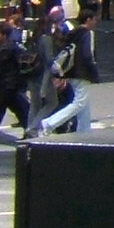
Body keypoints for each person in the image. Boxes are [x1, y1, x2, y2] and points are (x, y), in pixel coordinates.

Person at [37, 9, 100, 137]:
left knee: (84, 105)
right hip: (83, 72)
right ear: (88, 20)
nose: (95, 22)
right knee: (79, 103)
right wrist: (94, 72)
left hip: (71, 72)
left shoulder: (74, 33)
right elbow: (88, 55)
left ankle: (84, 132)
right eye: (94, 19)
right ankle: (49, 123)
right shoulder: (88, 33)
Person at [0, 22, 36, 142]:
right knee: (19, 110)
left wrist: (19, 82)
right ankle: (29, 131)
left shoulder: (12, 49)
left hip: (9, 84)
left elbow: (20, 66)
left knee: (0, 109)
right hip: (4, 84)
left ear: (4, 35)